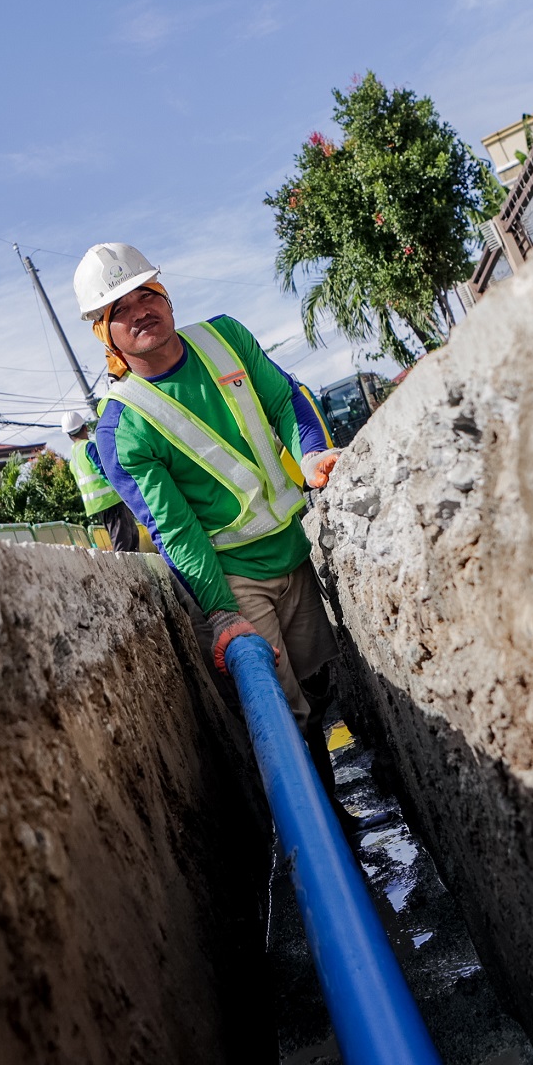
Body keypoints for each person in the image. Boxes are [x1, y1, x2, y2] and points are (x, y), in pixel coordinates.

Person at [73, 242, 343, 779]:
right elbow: (175, 529)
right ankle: (328, 827)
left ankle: (339, 803)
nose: (139, 311)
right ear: (105, 334)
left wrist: (311, 453)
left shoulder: (225, 338)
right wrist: (221, 611)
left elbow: (285, 398)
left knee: (321, 682)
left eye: (147, 294)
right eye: (119, 310)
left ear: (167, 298)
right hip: (236, 577)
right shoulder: (121, 427)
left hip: (292, 549)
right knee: (288, 716)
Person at [61, 409, 140, 552]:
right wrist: (124, 489)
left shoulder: (73, 457)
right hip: (111, 500)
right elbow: (104, 470)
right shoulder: (88, 447)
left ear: (68, 435)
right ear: (85, 428)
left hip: (97, 505)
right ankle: (121, 572)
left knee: (130, 536)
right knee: (124, 540)